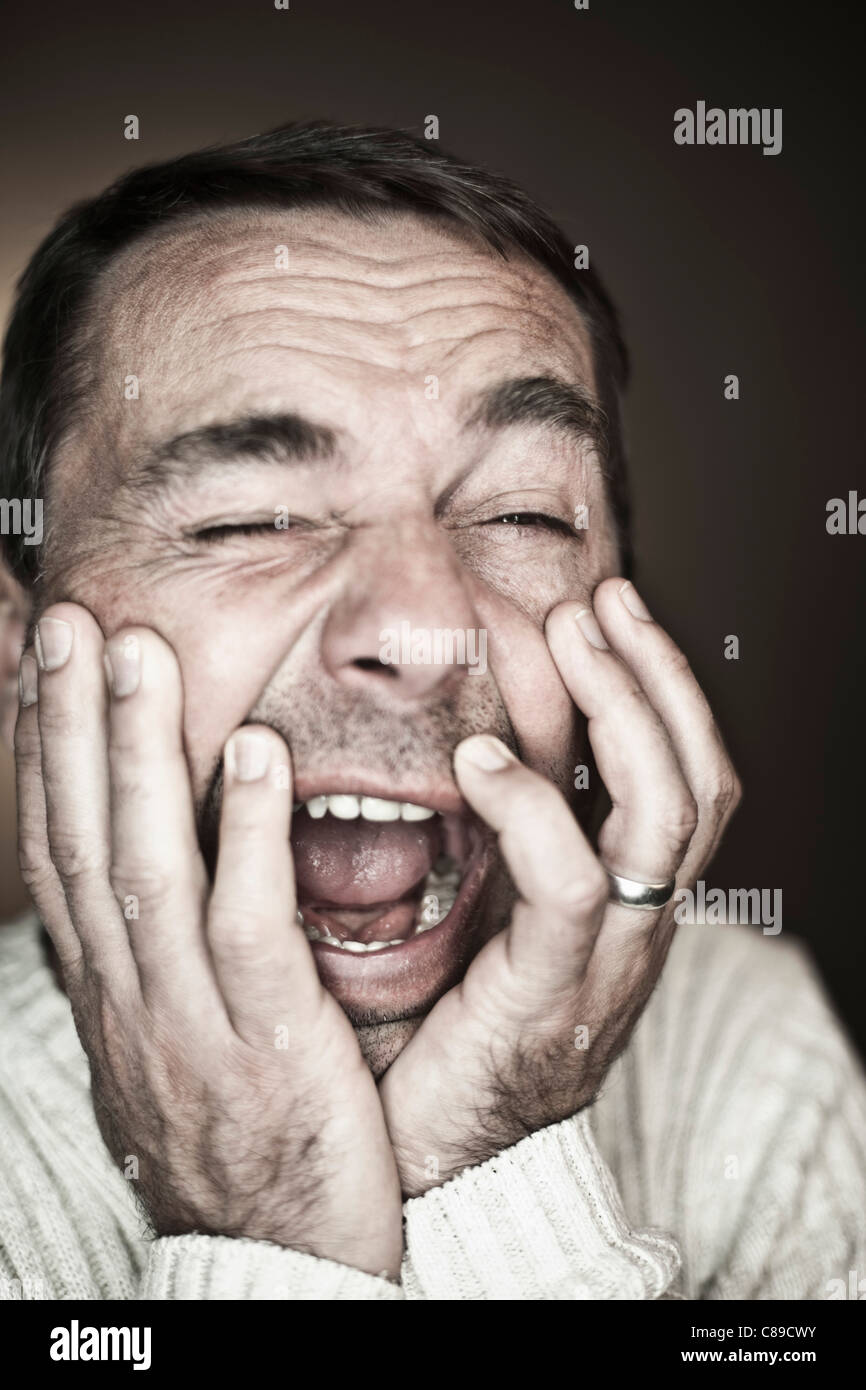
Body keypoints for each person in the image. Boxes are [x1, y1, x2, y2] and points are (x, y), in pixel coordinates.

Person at [0, 121, 863, 1301]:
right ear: (19, 645)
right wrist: (267, 1223)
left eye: (520, 516)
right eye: (246, 521)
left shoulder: (742, 1038)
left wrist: (492, 1149)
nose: (418, 629)